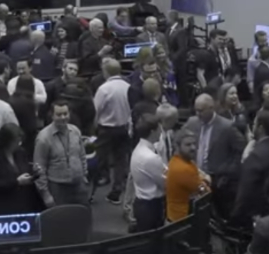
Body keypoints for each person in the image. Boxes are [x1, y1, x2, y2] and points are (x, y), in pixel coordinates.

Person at [183, 92, 244, 221]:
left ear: (211, 108)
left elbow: (240, 150)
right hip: (195, 178)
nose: (198, 114)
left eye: (201, 111)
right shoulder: (192, 122)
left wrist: (228, 171)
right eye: (196, 111)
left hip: (218, 181)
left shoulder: (227, 127)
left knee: (220, 217)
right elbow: (180, 141)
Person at [233, 108, 269, 224]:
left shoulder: (256, 156)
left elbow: (246, 191)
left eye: (254, 124)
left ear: (260, 128)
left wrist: (235, 215)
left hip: (261, 214)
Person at [32, 102, 89, 207]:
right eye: (59, 115)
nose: (63, 117)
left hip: (78, 184)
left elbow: (82, 155)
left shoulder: (75, 131)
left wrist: (84, 176)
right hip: (58, 187)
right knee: (62, 220)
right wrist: (45, 195)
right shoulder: (43, 138)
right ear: (52, 116)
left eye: (65, 113)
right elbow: (39, 168)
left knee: (82, 217)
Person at [93, 59, 133, 205]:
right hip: (123, 128)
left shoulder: (104, 88)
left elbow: (96, 110)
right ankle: (116, 191)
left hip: (106, 129)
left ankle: (91, 192)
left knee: (99, 159)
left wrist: (94, 128)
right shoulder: (128, 86)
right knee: (120, 160)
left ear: (106, 71)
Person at [129, 114, 169, 231]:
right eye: (159, 128)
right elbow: (165, 182)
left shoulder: (138, 149)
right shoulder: (150, 157)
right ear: (153, 131)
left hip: (141, 203)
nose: (161, 131)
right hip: (151, 207)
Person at [165, 130, 209, 223]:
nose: (193, 147)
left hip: (179, 216)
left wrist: (200, 179)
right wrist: (206, 181)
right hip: (182, 221)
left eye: (194, 144)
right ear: (177, 146)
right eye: (188, 145)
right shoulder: (183, 168)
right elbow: (204, 191)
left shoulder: (180, 161)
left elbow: (197, 176)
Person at [7, 72, 41, 152]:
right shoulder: (28, 103)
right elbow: (31, 127)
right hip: (25, 140)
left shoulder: (10, 100)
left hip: (11, 138)